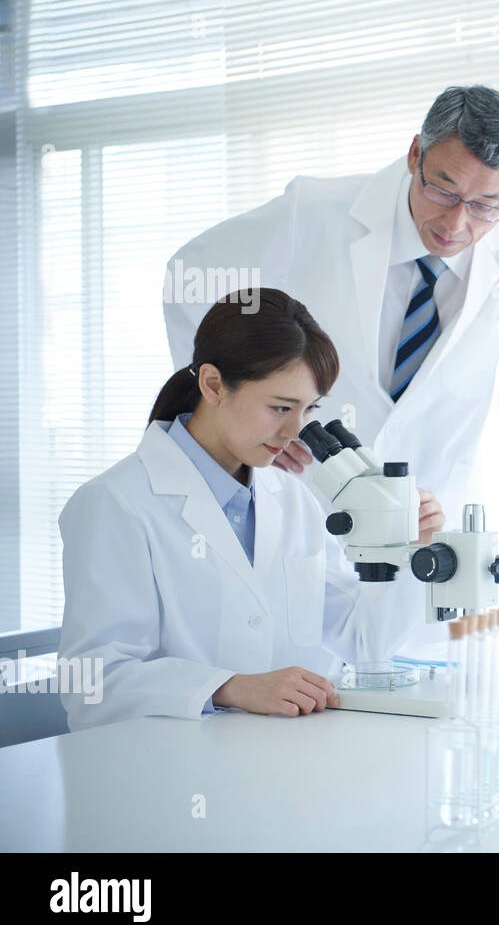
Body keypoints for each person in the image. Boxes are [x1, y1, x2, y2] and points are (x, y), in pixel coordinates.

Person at [162, 85, 499, 647]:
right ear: (415, 154)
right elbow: (188, 278)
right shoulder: (314, 213)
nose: (458, 224)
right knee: (294, 704)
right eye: (443, 190)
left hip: (426, 547)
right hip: (304, 521)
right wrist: (240, 423)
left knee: (413, 708)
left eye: (488, 205)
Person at [58, 290, 443, 732]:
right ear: (213, 384)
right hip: (170, 773)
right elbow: (93, 683)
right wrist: (229, 687)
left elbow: (364, 641)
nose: (296, 431)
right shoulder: (115, 503)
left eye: (310, 409)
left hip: (281, 763)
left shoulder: (293, 498)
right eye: (280, 407)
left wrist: (415, 550)